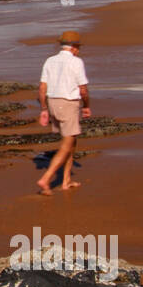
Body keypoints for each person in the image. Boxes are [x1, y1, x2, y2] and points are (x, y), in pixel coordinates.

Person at [36, 30, 91, 195]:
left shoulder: (50, 61)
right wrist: (87, 106)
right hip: (68, 104)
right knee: (66, 145)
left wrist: (44, 109)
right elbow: (83, 89)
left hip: (52, 102)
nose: (79, 51)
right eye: (78, 47)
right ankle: (46, 178)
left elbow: (42, 88)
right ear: (73, 47)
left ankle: (66, 181)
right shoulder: (76, 62)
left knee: (71, 142)